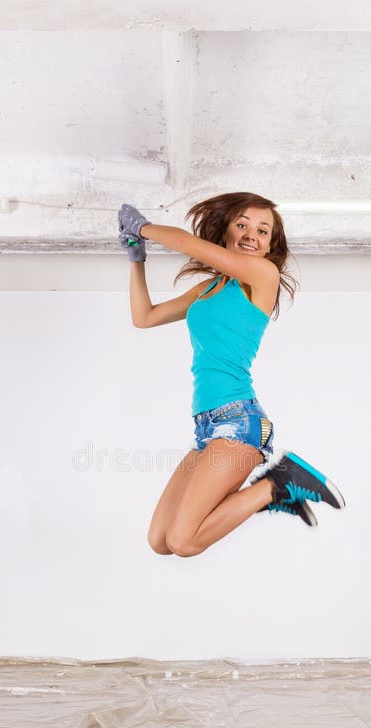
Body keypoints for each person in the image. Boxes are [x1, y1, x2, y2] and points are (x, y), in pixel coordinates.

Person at [118, 192, 345, 557]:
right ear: (226, 231)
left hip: (239, 422)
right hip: (207, 428)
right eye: (242, 224)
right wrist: (136, 257)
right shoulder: (208, 288)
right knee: (160, 541)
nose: (251, 235)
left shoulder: (261, 276)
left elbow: (189, 244)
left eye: (262, 230)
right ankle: (268, 497)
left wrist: (144, 228)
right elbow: (144, 317)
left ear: (270, 245)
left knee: (184, 541)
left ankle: (276, 484)